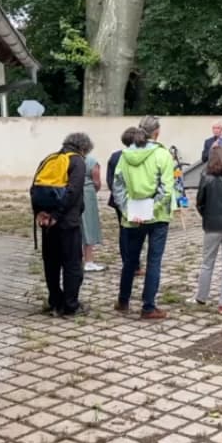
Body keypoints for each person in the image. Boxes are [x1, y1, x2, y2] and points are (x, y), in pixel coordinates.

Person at [113, 116, 177, 320]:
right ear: (156, 132)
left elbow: (118, 186)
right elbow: (166, 189)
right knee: (153, 261)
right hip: (157, 217)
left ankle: (123, 300)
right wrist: (150, 210)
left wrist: (128, 210)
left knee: (130, 260)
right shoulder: (162, 154)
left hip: (132, 218)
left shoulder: (125, 154)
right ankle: (148, 307)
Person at [37, 133, 90, 317]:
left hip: (47, 223)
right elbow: (73, 192)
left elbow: (35, 188)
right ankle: (70, 305)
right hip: (68, 222)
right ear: (83, 149)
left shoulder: (49, 159)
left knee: (51, 264)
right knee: (72, 264)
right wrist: (57, 215)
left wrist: (41, 213)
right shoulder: (77, 162)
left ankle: (54, 302)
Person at [191, 147, 222, 314]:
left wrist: (206, 215)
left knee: (207, 263)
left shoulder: (206, 178)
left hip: (212, 226)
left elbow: (199, 202)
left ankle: (201, 297)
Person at [108, 127, 144, 277]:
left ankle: (128, 263)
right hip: (136, 199)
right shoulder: (141, 155)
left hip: (119, 199)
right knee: (137, 232)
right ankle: (134, 264)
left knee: (124, 231)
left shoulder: (115, 156)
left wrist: (118, 196)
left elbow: (110, 180)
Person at [81, 139, 105, 272]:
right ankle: (89, 260)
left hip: (73, 194)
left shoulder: (70, 159)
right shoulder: (91, 161)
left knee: (77, 227)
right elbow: (97, 182)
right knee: (89, 226)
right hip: (88, 195)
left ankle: (76, 259)